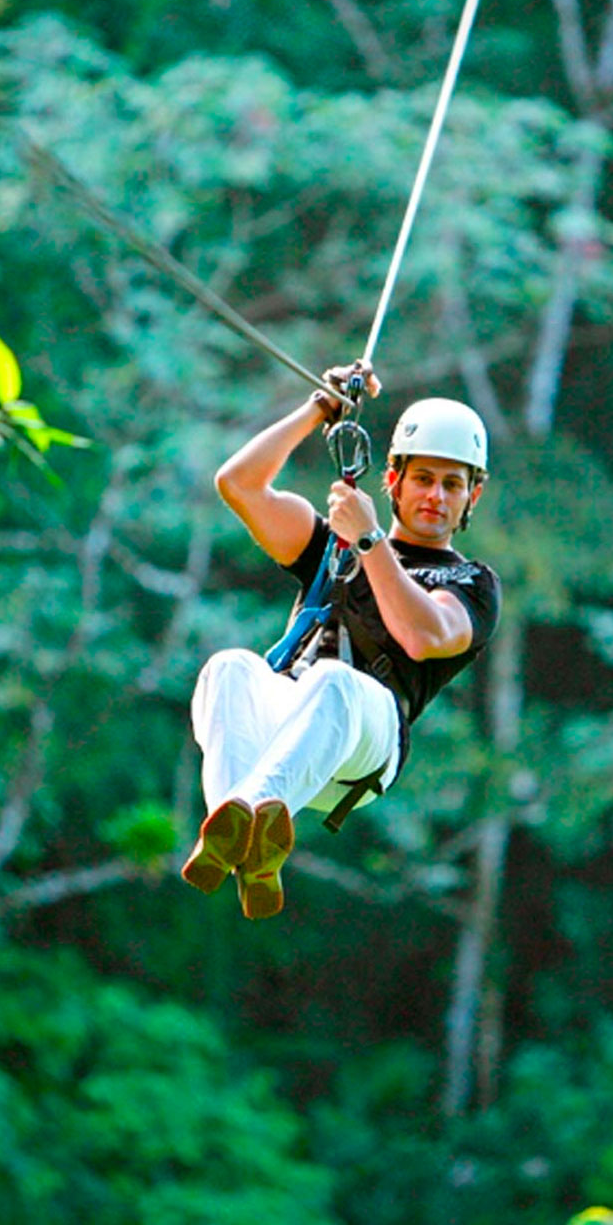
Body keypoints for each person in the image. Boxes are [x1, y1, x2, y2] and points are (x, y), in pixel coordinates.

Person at [185, 361, 501, 919]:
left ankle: (251, 813)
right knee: (229, 666)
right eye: (424, 479)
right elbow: (238, 484)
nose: (436, 496)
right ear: (394, 482)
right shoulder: (334, 547)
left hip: (365, 746)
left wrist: (370, 538)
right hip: (287, 732)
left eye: (453, 484)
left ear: (473, 495)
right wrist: (318, 408)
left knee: (336, 680)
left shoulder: (471, 583)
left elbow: (422, 635)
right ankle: (237, 829)